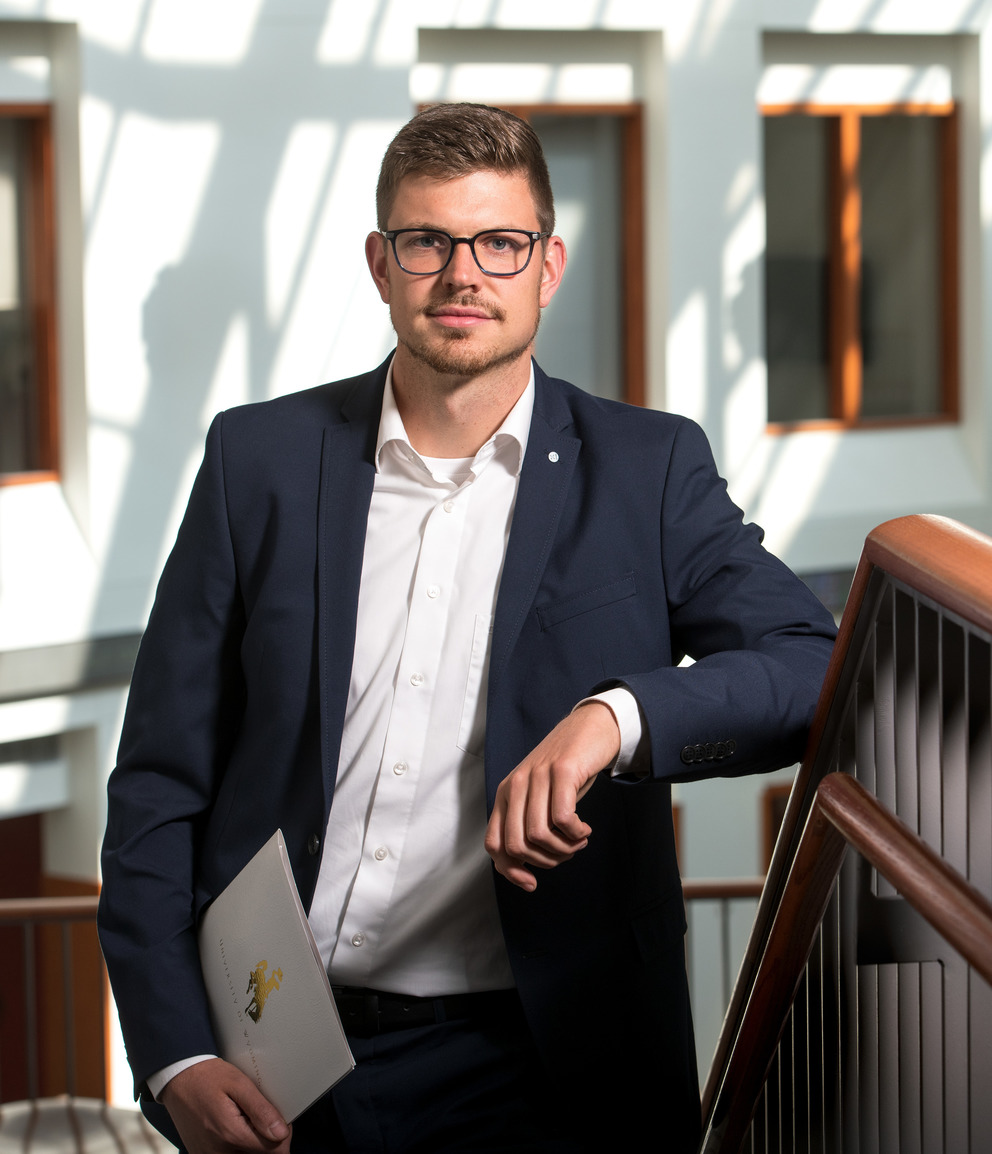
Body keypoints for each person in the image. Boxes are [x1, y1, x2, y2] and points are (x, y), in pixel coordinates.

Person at [98, 103, 836, 1154]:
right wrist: (174, 1053)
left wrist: (613, 718)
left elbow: (810, 667)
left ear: (548, 262)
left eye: (499, 242)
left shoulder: (647, 469)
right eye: (426, 242)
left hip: (542, 1065)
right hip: (279, 1057)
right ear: (379, 262)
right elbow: (159, 784)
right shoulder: (255, 461)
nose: (462, 274)